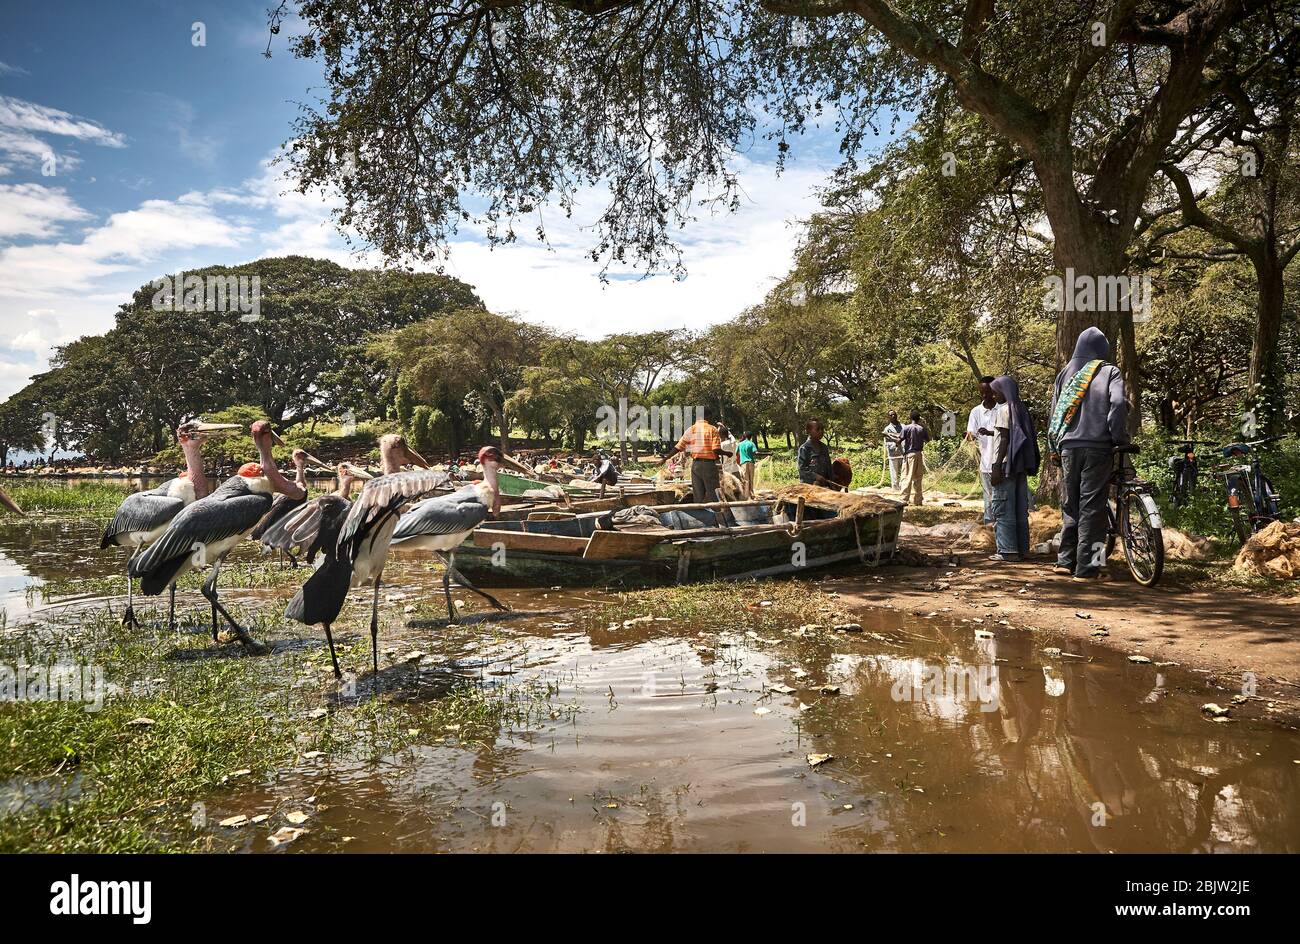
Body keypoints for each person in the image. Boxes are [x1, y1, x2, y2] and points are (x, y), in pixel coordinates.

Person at [1048, 326, 1128, 581]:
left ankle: (1064, 562)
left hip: (1068, 447)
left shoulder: (1065, 374)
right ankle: (1088, 568)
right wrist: (1118, 438)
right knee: (1093, 507)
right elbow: (1117, 404)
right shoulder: (1109, 371)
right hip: (1098, 447)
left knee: (1071, 504)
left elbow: (1054, 414)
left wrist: (1055, 447)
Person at [989, 375, 1040, 562]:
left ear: (1003, 392)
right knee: (1019, 508)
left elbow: (1004, 439)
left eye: (995, 393)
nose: (993, 397)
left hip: (1004, 466)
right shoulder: (1021, 409)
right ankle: (1022, 549)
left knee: (1002, 507)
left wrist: (996, 467)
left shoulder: (1004, 410)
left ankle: (1007, 550)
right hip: (1019, 465)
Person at [665, 406, 726, 502]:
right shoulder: (712, 429)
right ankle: (717, 513)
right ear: (708, 416)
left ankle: (700, 514)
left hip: (695, 465)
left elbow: (678, 447)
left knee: (698, 494)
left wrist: (665, 459)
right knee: (713, 493)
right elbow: (716, 449)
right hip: (708, 464)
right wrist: (727, 453)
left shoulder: (691, 429)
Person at [965, 377, 999, 524]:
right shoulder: (976, 411)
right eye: (982, 392)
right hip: (986, 463)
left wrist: (990, 432)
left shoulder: (1003, 408)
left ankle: (1002, 525)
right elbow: (970, 434)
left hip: (1002, 461)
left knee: (1001, 497)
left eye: (988, 392)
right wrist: (969, 437)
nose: (984, 395)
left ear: (994, 391)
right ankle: (989, 526)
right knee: (988, 497)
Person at [898, 410, 930, 505]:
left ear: (910, 418)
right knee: (918, 477)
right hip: (919, 454)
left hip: (910, 455)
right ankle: (918, 500)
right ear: (919, 419)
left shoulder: (906, 428)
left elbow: (899, 440)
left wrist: (897, 442)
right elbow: (927, 440)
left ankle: (904, 499)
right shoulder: (922, 428)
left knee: (907, 476)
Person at [797, 419, 833, 486]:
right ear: (808, 431)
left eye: (822, 429)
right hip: (809, 486)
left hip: (824, 486)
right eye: (818, 429)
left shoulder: (824, 447)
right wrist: (815, 476)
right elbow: (802, 469)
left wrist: (831, 480)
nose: (821, 431)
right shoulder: (804, 449)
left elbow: (829, 467)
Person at [883, 410, 905, 489]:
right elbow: (887, 443)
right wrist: (896, 443)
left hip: (903, 453)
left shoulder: (903, 426)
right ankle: (895, 490)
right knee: (894, 474)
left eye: (894, 414)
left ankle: (904, 489)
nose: (893, 416)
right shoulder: (887, 429)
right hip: (893, 455)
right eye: (891, 415)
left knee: (904, 473)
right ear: (888, 417)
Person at [736, 431, 758, 498]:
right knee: (751, 478)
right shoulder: (751, 443)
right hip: (751, 462)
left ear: (744, 436)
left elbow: (736, 453)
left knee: (745, 479)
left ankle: (746, 495)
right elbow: (755, 452)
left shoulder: (740, 444)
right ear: (750, 437)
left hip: (743, 463)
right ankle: (752, 494)